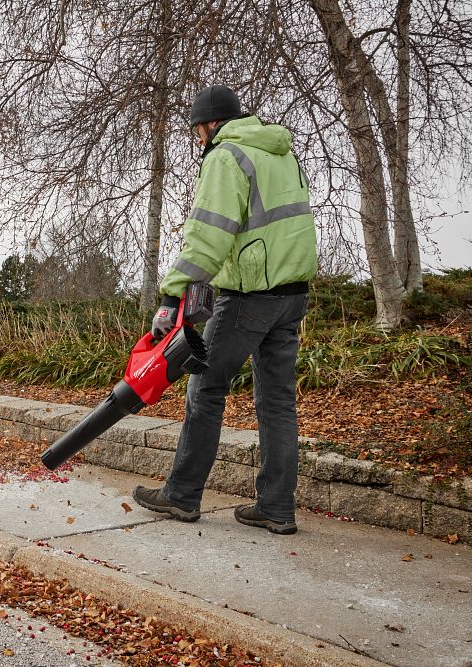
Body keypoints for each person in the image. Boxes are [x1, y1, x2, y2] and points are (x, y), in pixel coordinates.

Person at [132, 85, 317, 535]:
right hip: (293, 295)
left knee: (206, 388)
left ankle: (181, 496)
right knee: (277, 402)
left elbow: (208, 236)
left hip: (249, 295)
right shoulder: (281, 154)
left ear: (209, 124)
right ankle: (276, 507)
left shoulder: (226, 156)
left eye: (197, 131)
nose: (198, 139)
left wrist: (172, 295)